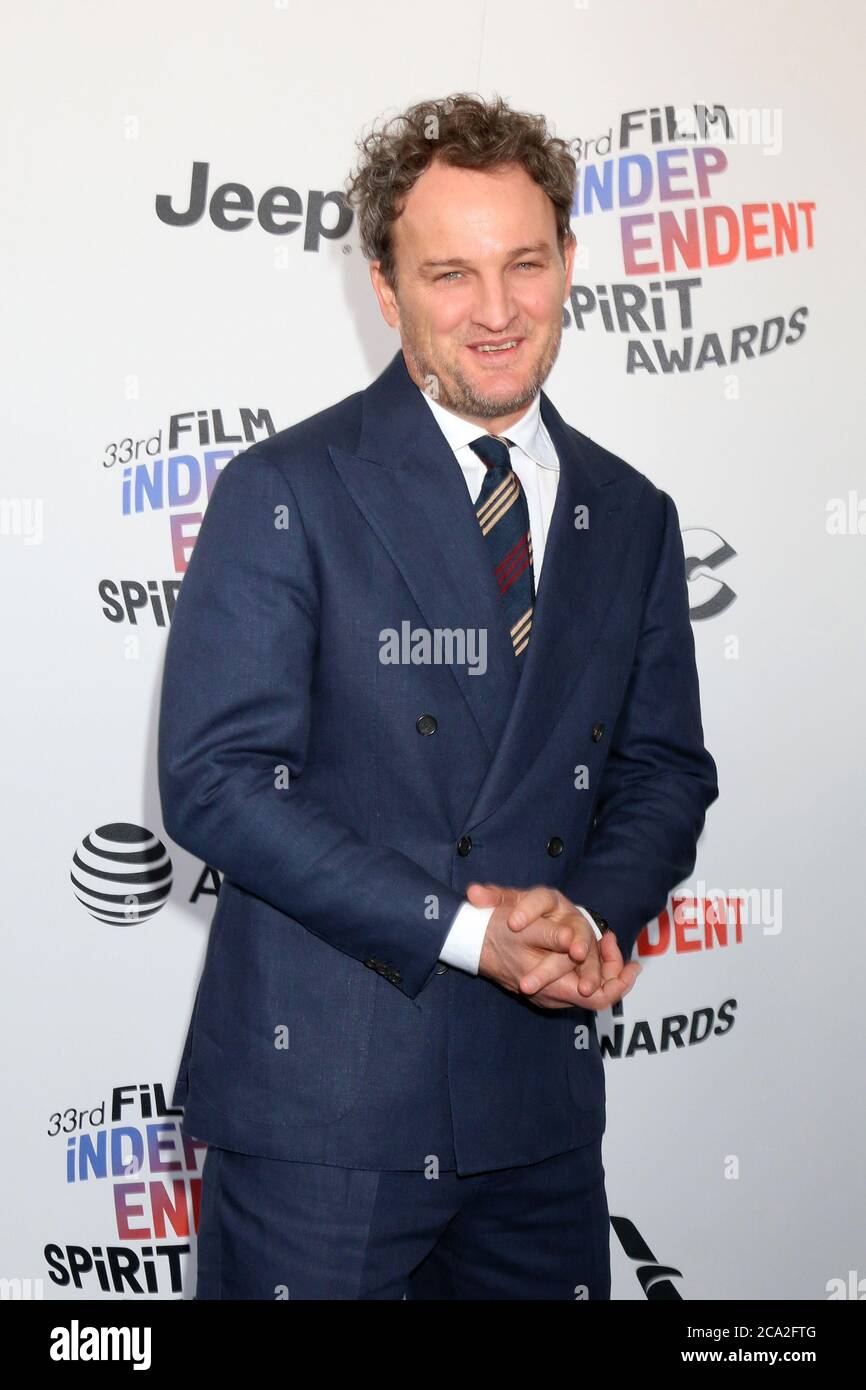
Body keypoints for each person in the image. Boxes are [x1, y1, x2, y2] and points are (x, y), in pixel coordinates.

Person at [158, 92, 719, 1300]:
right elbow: (214, 782)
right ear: (386, 284)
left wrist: (589, 915)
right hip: (327, 1114)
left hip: (537, 1115)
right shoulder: (286, 488)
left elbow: (663, 769)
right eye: (450, 273)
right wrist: (468, 934)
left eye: (524, 263)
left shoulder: (629, 514)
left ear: (569, 261)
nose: (496, 309)